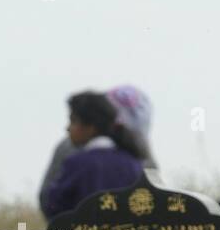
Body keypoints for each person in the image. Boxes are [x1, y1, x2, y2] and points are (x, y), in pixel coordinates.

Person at [38, 84, 155, 214]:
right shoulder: (135, 163)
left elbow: (52, 204)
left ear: (90, 126)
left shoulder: (75, 161)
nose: (67, 128)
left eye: (73, 121)